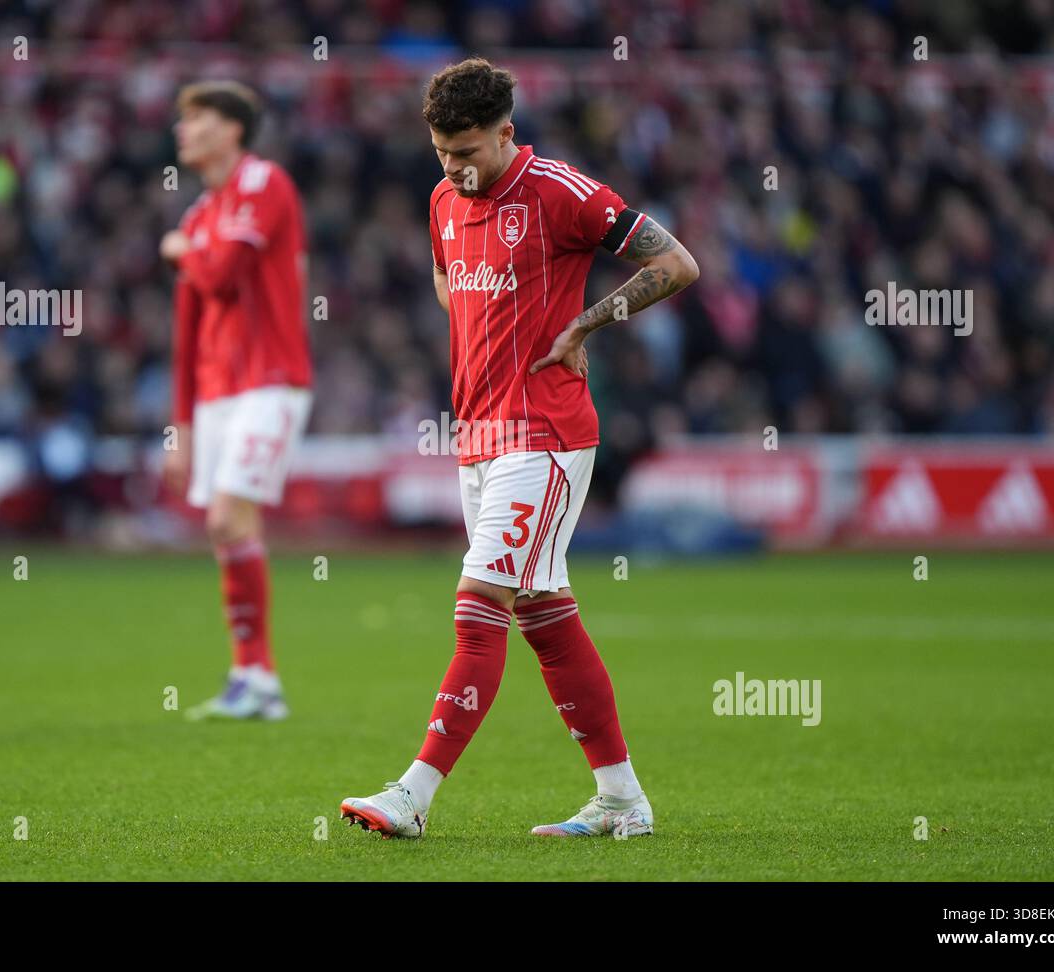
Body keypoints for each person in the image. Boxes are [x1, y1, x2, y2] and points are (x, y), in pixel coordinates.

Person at [339, 58, 698, 837]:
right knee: (546, 615)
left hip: (546, 433)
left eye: (467, 151)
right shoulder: (440, 198)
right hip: (479, 435)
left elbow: (676, 263)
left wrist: (587, 321)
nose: (454, 169)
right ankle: (622, 799)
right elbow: (448, 281)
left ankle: (412, 797)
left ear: (506, 132)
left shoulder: (564, 194)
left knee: (479, 607)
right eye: (442, 152)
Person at [160, 81, 313, 721]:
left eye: (196, 118)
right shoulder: (199, 216)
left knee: (228, 517)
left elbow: (221, 274)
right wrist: (182, 426)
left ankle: (260, 674)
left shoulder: (262, 184)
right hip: (218, 391)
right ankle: (253, 680)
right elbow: (187, 328)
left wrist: (179, 250)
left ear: (231, 128)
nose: (182, 130)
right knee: (229, 530)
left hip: (270, 379)